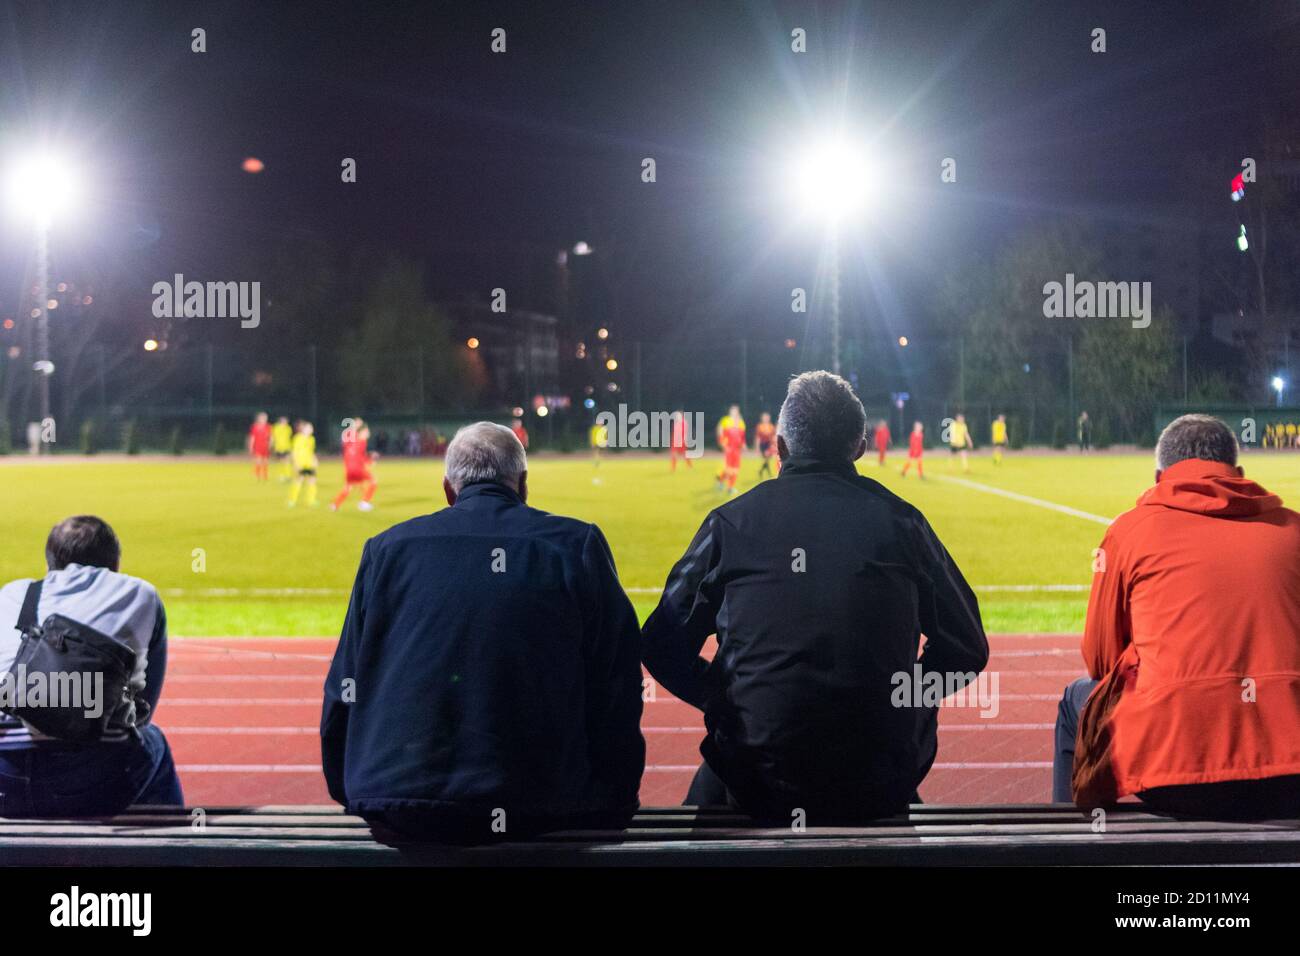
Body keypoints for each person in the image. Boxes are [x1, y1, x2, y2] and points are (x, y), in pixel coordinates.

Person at [642, 372, 987, 823]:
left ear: (780, 448)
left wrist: (721, 696)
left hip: (758, 779)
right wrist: (907, 696)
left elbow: (660, 642)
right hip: (879, 776)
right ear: (860, 448)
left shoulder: (730, 524)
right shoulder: (904, 524)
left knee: (708, 789)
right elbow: (968, 647)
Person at [321, 422, 644, 842]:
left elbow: (343, 689)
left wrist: (353, 787)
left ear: (448, 489)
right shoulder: (575, 545)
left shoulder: (385, 551)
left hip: (401, 809)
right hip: (547, 808)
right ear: (523, 485)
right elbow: (618, 686)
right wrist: (614, 797)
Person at [1056, 415, 1300, 819]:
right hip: (1290, 771)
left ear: (1158, 476)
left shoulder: (1128, 533)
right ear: (1238, 473)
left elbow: (1100, 661)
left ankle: (1071, 849)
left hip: (1173, 773)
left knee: (1074, 701)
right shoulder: (1293, 529)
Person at [0, 516, 182, 817]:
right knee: (154, 742)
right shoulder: (140, 594)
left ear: (49, 564)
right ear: (116, 564)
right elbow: (143, 710)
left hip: (6, 782)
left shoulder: (10, 594)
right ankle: (172, 851)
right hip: (92, 786)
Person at [331, 418, 378, 512]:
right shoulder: (359, 442)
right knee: (373, 482)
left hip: (350, 469)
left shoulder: (354, 441)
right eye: (367, 431)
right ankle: (364, 503)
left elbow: (355, 454)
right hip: (357, 469)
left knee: (349, 488)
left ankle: (335, 505)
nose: (368, 433)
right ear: (363, 432)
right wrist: (370, 461)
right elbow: (360, 456)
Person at [287, 420, 318, 508]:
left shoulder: (312, 439)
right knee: (298, 481)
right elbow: (294, 452)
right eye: (309, 427)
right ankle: (292, 500)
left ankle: (311, 500)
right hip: (300, 464)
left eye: (311, 428)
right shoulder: (298, 438)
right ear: (303, 429)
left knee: (312, 481)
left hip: (309, 464)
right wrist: (296, 464)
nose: (311, 429)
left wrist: (315, 460)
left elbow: (311, 451)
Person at [714, 404, 745, 490]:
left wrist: (743, 445)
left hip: (737, 450)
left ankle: (727, 486)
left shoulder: (741, 422)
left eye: (735, 411)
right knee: (729, 469)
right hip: (729, 448)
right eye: (732, 410)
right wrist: (721, 442)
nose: (733, 412)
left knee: (735, 470)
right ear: (730, 411)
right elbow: (719, 430)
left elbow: (742, 436)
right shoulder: (725, 420)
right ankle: (723, 482)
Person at [248, 411, 272, 482]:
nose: (264, 419)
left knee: (265, 462)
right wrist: (251, 446)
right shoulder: (254, 426)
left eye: (265, 417)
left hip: (265, 446)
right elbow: (252, 437)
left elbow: (270, 437)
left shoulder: (268, 426)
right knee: (258, 461)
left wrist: (270, 444)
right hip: (258, 446)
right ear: (259, 418)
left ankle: (265, 476)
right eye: (262, 417)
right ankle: (257, 476)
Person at [271, 416, 295, 482]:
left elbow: (289, 437)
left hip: (287, 447)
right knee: (281, 462)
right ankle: (283, 475)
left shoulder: (288, 428)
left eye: (286, 421)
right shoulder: (276, 427)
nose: (285, 422)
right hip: (278, 447)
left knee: (287, 461)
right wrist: (272, 445)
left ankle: (287, 475)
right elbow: (273, 437)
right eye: (283, 421)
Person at [754, 412, 777, 479]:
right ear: (762, 418)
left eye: (767, 417)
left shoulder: (771, 426)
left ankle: (761, 471)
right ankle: (766, 472)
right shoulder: (759, 426)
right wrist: (757, 448)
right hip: (762, 445)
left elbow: (773, 437)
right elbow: (757, 438)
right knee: (766, 459)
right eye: (765, 417)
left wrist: (774, 445)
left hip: (769, 445)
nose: (766, 419)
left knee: (767, 460)